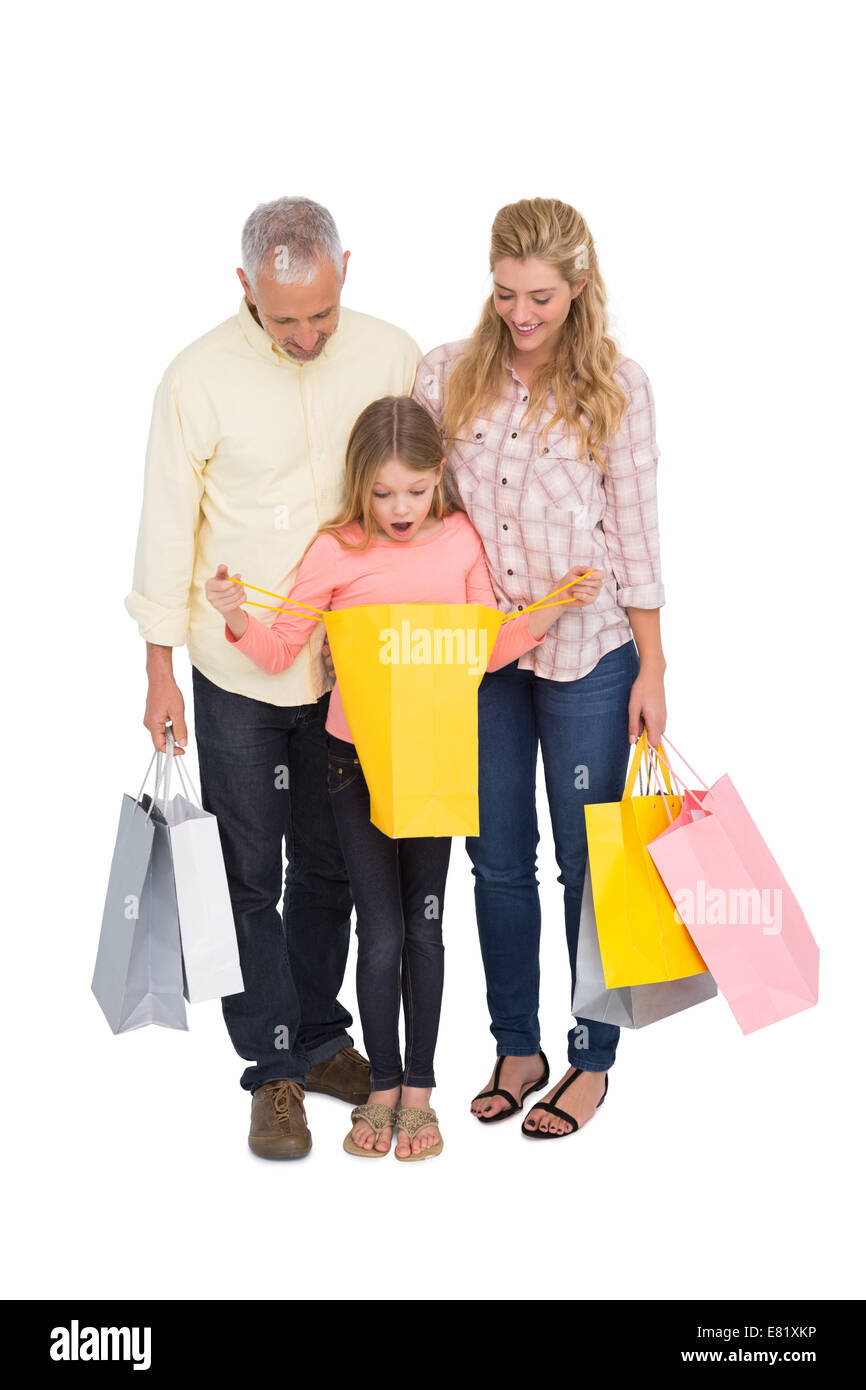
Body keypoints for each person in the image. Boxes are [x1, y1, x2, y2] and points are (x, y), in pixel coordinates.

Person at [204, 395, 602, 1160]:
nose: (399, 508)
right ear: (359, 484)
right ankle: (381, 1084)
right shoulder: (333, 551)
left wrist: (552, 609)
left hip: (434, 757)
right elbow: (281, 651)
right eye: (382, 493)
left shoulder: (458, 540)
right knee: (379, 933)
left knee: (424, 925)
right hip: (352, 762)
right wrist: (234, 614)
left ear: (438, 478)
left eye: (415, 491)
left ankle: (419, 1091)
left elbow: (485, 647)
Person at [125, 197, 422, 1160]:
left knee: (332, 868)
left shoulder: (389, 353)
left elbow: (419, 485)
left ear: (347, 272)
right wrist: (158, 670)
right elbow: (166, 528)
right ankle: (274, 1071)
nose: (306, 335)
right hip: (238, 671)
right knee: (253, 872)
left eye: (322, 314)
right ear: (243, 285)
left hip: (350, 672)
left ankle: (321, 1036)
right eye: (284, 316)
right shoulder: (196, 377)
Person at [413, 197, 667, 1140]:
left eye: (542, 298)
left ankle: (591, 1059)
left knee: (585, 860)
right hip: (484, 656)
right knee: (497, 860)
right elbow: (417, 506)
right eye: (508, 294)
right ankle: (517, 1045)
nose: (522, 315)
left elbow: (636, 534)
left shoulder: (617, 388)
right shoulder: (448, 374)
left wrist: (653, 667)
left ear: (580, 288)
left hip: (585, 654)